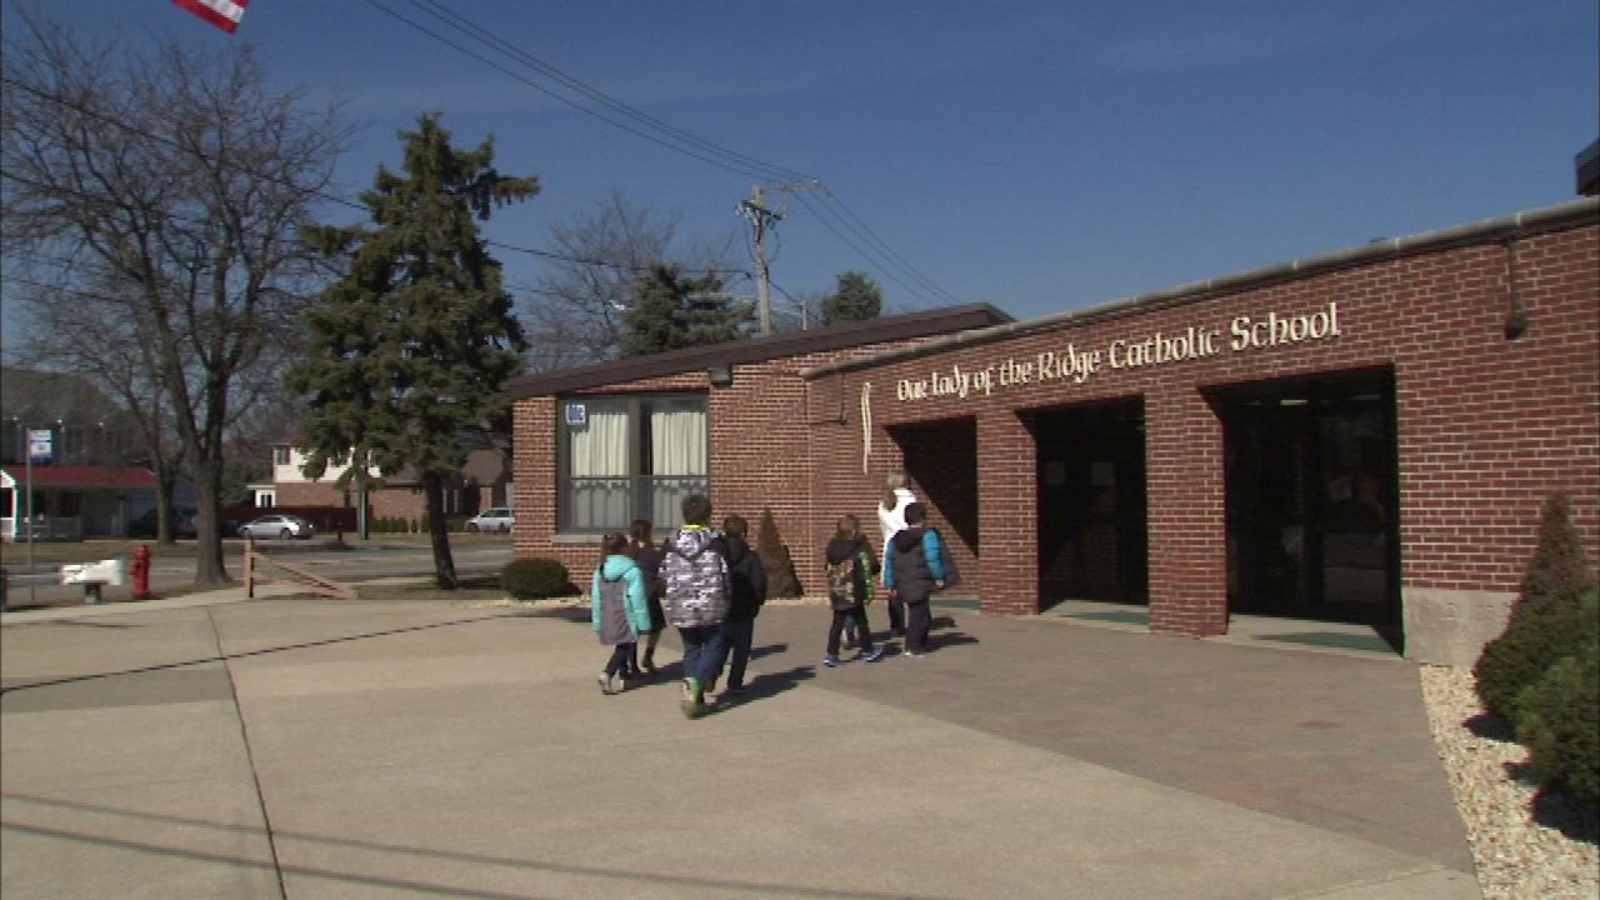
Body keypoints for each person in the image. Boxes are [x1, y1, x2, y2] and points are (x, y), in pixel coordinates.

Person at [659, 494, 730, 718]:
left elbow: (662, 573)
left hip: (681, 604)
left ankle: (694, 698)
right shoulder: (716, 541)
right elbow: (726, 573)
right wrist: (728, 599)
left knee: (691, 648)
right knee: (715, 645)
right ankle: (695, 681)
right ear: (708, 515)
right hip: (711, 603)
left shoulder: (671, 542)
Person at [711, 514, 767, 695]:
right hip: (744, 610)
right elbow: (759, 583)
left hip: (721, 609)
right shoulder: (751, 557)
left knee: (720, 645)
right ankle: (735, 683)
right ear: (744, 533)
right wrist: (757, 602)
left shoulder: (718, 555)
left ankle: (712, 673)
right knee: (741, 650)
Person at [883, 502, 946, 658]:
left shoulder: (896, 538)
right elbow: (932, 558)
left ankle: (921, 643)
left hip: (903, 580)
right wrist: (939, 576)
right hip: (920, 579)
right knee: (919, 614)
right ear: (923, 518)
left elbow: (889, 561)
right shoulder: (927, 535)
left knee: (920, 612)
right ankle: (912, 646)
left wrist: (890, 583)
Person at [591, 531, 651, 695]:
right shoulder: (632, 570)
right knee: (626, 644)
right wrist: (644, 622)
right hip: (626, 614)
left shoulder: (600, 570)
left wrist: (597, 620)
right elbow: (638, 598)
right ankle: (608, 672)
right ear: (625, 547)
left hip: (608, 612)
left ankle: (624, 674)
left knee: (622, 643)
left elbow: (596, 597)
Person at [823, 514, 885, 667]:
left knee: (837, 623)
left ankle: (831, 654)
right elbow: (871, 566)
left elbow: (826, 567)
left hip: (837, 590)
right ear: (854, 530)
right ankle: (868, 650)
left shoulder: (832, 547)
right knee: (861, 621)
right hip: (854, 590)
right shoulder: (858, 547)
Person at [876, 468, 918, 637]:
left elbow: (883, 529)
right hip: (911, 546)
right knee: (914, 586)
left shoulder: (885, 504)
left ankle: (896, 626)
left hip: (891, 546)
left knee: (894, 589)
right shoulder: (912, 501)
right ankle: (916, 624)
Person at [627, 519, 667, 674]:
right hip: (648, 594)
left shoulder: (628, 551)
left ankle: (632, 664)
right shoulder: (651, 552)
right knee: (656, 628)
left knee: (633, 631)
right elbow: (659, 569)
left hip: (631, 594)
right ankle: (648, 656)